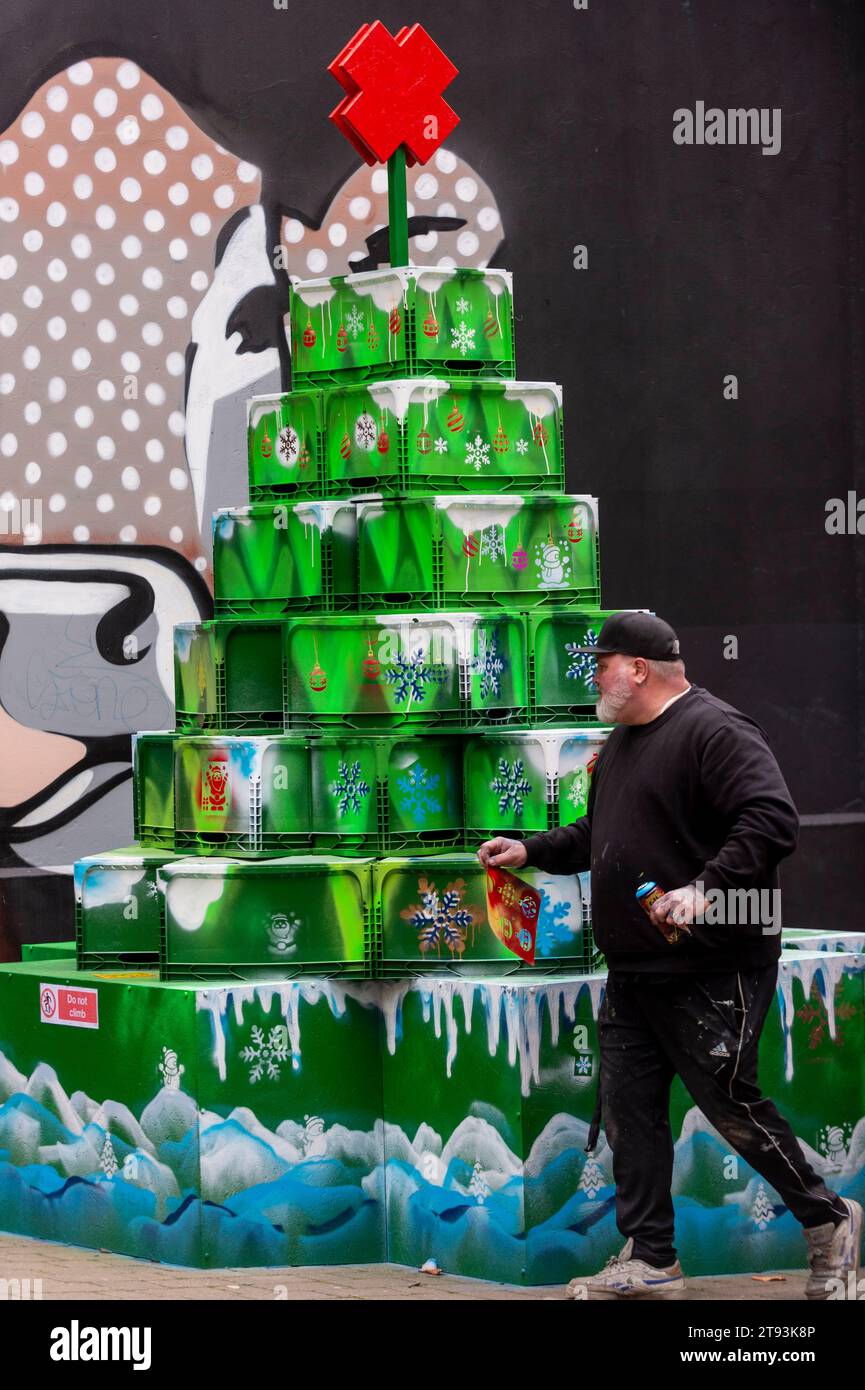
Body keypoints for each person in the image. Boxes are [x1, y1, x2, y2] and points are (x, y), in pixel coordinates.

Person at [477, 611, 862, 1300]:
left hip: (711, 968)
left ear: (637, 669)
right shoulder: (623, 741)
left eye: (600, 662)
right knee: (630, 1112)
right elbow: (600, 833)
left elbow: (770, 820)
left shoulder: (715, 730)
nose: (592, 673)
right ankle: (652, 1258)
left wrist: (705, 888)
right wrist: (530, 851)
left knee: (730, 1106)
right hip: (633, 972)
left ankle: (829, 1221)